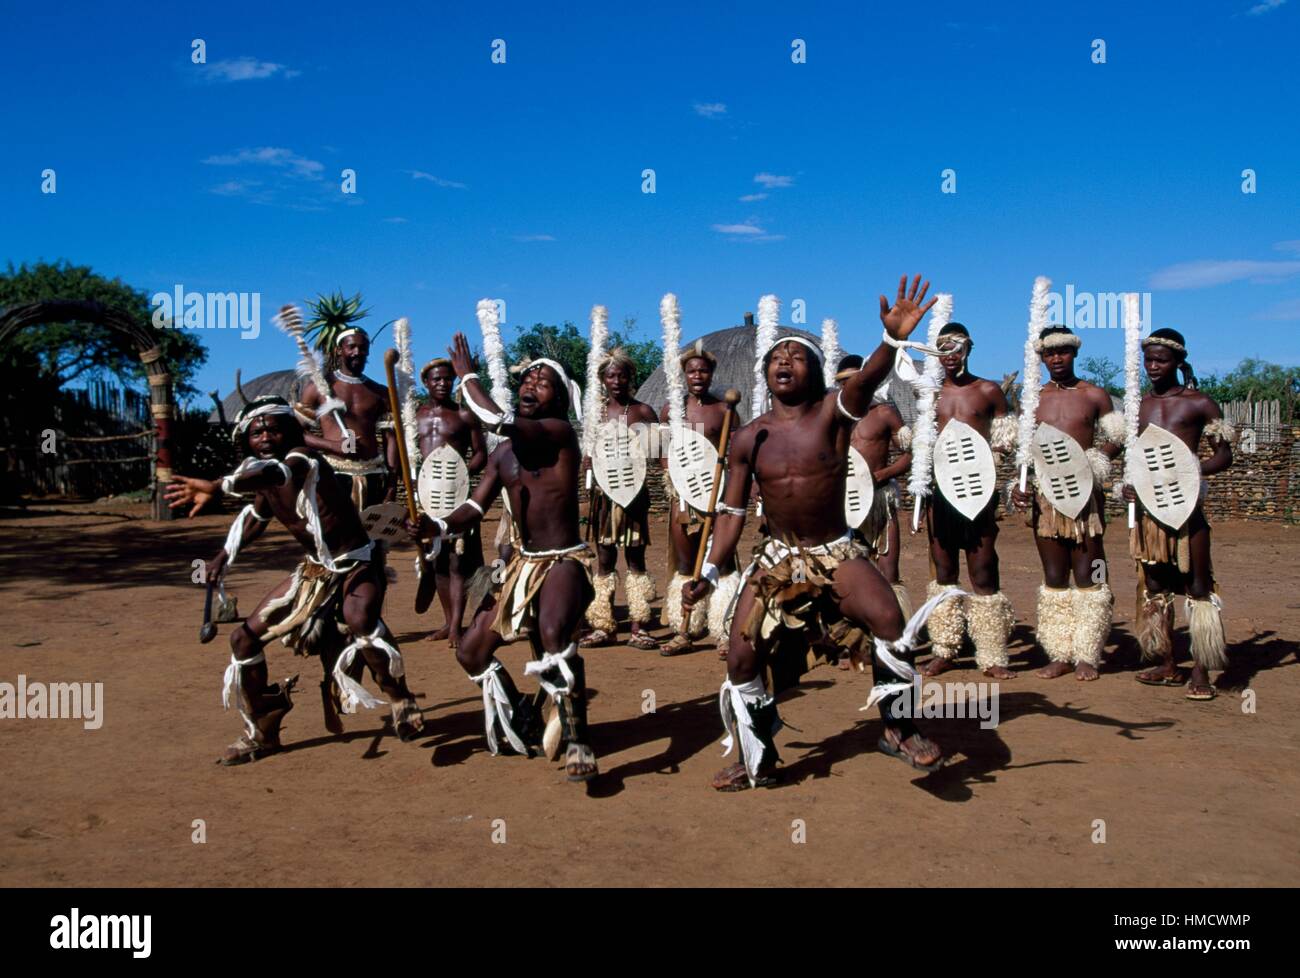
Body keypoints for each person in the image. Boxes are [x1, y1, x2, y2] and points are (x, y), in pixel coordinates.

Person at [683, 275, 956, 790]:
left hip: (836, 551)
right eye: (776, 357)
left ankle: (898, 728)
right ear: (764, 373)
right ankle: (755, 753)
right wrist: (711, 570)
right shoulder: (747, 436)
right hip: (777, 558)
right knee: (741, 656)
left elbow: (867, 381)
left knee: (889, 619)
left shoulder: (834, 412)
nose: (785, 361)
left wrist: (892, 341)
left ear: (815, 371)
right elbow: (732, 514)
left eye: (797, 356)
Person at [165, 396, 423, 765]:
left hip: (357, 562)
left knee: (360, 620)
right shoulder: (261, 475)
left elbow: (281, 474)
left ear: (290, 430)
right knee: (243, 640)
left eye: (274, 427)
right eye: (257, 431)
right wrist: (223, 557)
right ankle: (264, 733)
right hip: (315, 570)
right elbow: (254, 518)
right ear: (246, 440)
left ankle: (400, 697)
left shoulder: (302, 459)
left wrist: (217, 485)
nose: (266, 435)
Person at [410, 334, 600, 781]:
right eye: (529, 377)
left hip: (563, 561)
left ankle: (578, 741)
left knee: (554, 632)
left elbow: (499, 418)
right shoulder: (502, 455)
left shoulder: (557, 433)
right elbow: (473, 509)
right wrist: (435, 527)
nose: (533, 382)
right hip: (521, 566)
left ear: (560, 398)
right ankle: (521, 711)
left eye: (545, 380)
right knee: (471, 652)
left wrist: (467, 376)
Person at [1121, 328, 1235, 701]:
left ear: (1178, 363)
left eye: (1161, 360)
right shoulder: (1138, 406)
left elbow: (1225, 455)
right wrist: (1129, 484)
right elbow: (1133, 457)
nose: (1153, 366)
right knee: (1155, 587)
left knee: (1198, 587)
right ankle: (1168, 663)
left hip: (1188, 512)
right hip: (1150, 515)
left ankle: (1201, 671)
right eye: (1149, 360)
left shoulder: (1199, 403)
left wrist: (1189, 473)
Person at [1010, 325, 1124, 680]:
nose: (1056, 358)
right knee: (1054, 577)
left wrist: (1093, 461)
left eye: (1063, 351)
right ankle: (1060, 653)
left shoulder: (1095, 395)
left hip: (1085, 498)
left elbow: (1117, 437)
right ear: (1041, 357)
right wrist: (1019, 484)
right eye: (1050, 353)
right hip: (1045, 499)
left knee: (1089, 572)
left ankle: (1088, 654)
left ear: (1075, 353)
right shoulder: (1032, 399)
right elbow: (1022, 451)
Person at [919, 322, 1019, 680]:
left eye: (955, 348)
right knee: (944, 571)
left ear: (968, 350)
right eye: (942, 349)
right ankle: (945, 648)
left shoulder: (989, 390)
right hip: (940, 496)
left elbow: (1006, 441)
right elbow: (921, 444)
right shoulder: (929, 394)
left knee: (982, 569)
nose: (949, 356)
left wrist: (986, 466)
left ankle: (992, 654)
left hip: (979, 493)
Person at [659, 340, 740, 656]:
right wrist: (674, 477)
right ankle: (685, 629)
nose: (697, 375)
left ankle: (723, 630)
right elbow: (659, 448)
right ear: (684, 375)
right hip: (682, 497)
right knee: (686, 561)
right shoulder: (672, 410)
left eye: (703, 370)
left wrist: (729, 489)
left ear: (710, 374)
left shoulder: (724, 410)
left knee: (722, 561)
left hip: (716, 498)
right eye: (692, 370)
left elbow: (738, 454)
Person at [583, 349, 660, 649]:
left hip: (634, 496)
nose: (616, 381)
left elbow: (657, 454)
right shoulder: (596, 415)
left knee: (635, 556)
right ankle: (604, 624)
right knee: (604, 557)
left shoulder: (642, 412)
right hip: (603, 497)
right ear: (602, 379)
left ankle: (639, 625)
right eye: (611, 375)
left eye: (622, 375)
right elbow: (588, 454)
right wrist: (588, 462)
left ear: (630, 377)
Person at [413, 358, 488, 647]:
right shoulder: (414, 416)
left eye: (448, 379)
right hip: (426, 498)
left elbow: (480, 454)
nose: (443, 383)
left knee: (458, 562)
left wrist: (460, 475)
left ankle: (457, 626)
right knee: (438, 564)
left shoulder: (466, 416)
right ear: (426, 383)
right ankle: (448, 622)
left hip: (457, 498)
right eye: (436, 379)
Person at [839, 353, 914, 625]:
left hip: (881, 500)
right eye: (843, 382)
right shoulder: (832, 417)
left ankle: (893, 634)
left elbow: (911, 453)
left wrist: (884, 473)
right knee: (847, 568)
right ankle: (853, 633)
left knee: (887, 568)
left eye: (855, 379)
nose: (850, 386)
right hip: (842, 503)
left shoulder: (883, 413)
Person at [297, 327, 398, 510]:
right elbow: (296, 433)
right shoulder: (319, 388)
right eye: (351, 347)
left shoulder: (381, 393)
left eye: (362, 347)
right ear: (339, 350)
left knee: (371, 536)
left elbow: (391, 439)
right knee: (336, 535)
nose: (357, 352)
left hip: (373, 475)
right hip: (333, 474)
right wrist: (333, 446)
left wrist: (392, 482)